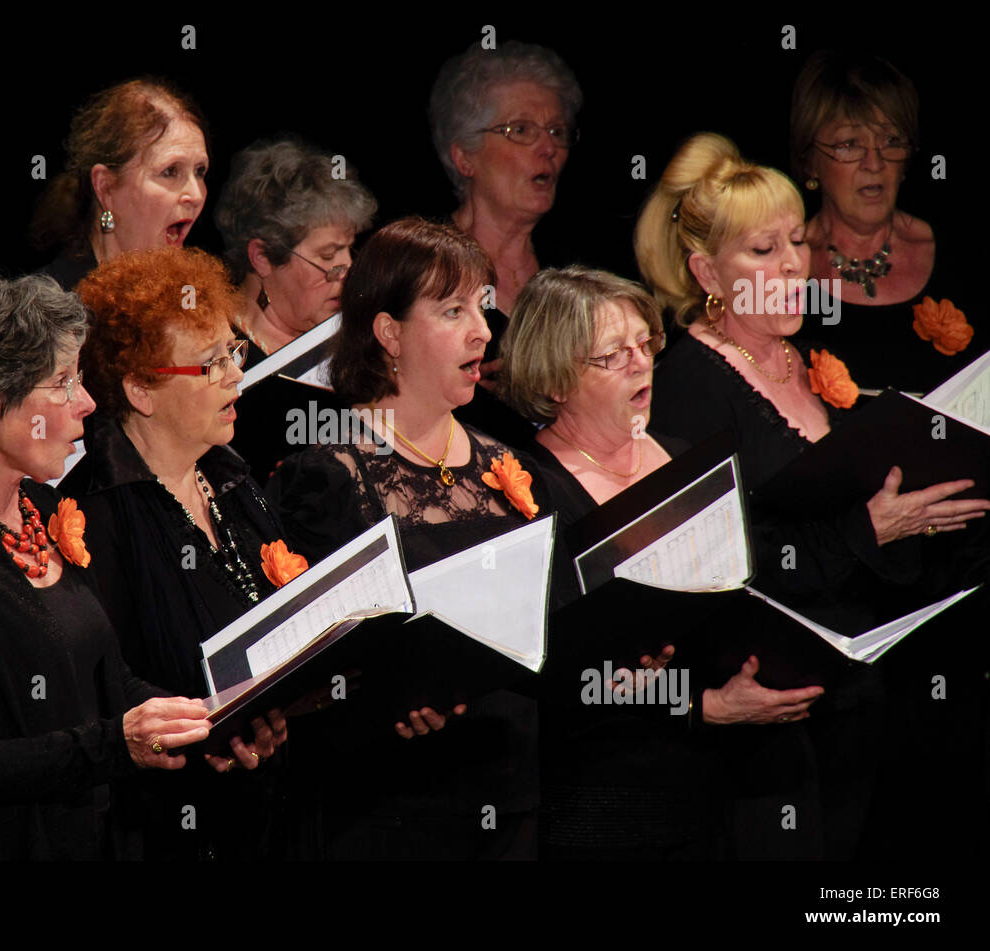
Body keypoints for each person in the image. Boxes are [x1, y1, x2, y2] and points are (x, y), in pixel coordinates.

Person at [634, 132, 990, 857]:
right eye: (762, 250)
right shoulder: (688, 385)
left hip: (858, 693)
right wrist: (867, 530)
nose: (793, 263)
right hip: (765, 721)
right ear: (708, 270)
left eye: (796, 240)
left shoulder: (814, 363)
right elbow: (703, 561)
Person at [0, 272, 219, 860]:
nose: (88, 403)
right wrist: (111, 747)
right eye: (62, 382)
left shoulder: (43, 507)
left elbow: (105, 678)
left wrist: (209, 720)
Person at [497, 265, 827, 857]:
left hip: (741, 774)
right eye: (612, 355)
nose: (640, 362)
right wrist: (698, 707)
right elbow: (550, 676)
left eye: (644, 343)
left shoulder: (688, 460)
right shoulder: (531, 495)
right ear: (554, 382)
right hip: (616, 793)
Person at [268, 217, 550, 859]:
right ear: (389, 332)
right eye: (452, 311)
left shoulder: (508, 463)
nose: (481, 330)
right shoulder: (328, 475)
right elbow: (308, 669)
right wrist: (388, 703)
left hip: (509, 790)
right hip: (390, 806)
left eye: (481, 306)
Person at [61, 247, 290, 859]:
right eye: (211, 364)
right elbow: (105, 688)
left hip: (264, 814)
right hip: (159, 829)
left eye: (232, 353)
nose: (235, 376)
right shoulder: (92, 515)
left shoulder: (232, 476)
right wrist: (216, 731)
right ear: (140, 389)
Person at [791, 51, 983, 395]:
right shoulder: (779, 271)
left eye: (891, 141)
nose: (874, 162)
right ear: (810, 161)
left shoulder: (968, 262)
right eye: (849, 144)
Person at [427, 40, 580, 446]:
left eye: (557, 132)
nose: (548, 148)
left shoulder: (576, 267)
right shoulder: (425, 269)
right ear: (465, 158)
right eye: (522, 130)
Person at [213, 136, 376, 367]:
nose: (346, 273)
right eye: (328, 256)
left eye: (349, 250)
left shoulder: (356, 342)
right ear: (262, 257)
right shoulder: (216, 355)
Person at [32, 79, 209, 291]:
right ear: (105, 187)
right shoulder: (42, 312)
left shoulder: (190, 301)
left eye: (200, 172)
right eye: (170, 172)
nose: (197, 194)